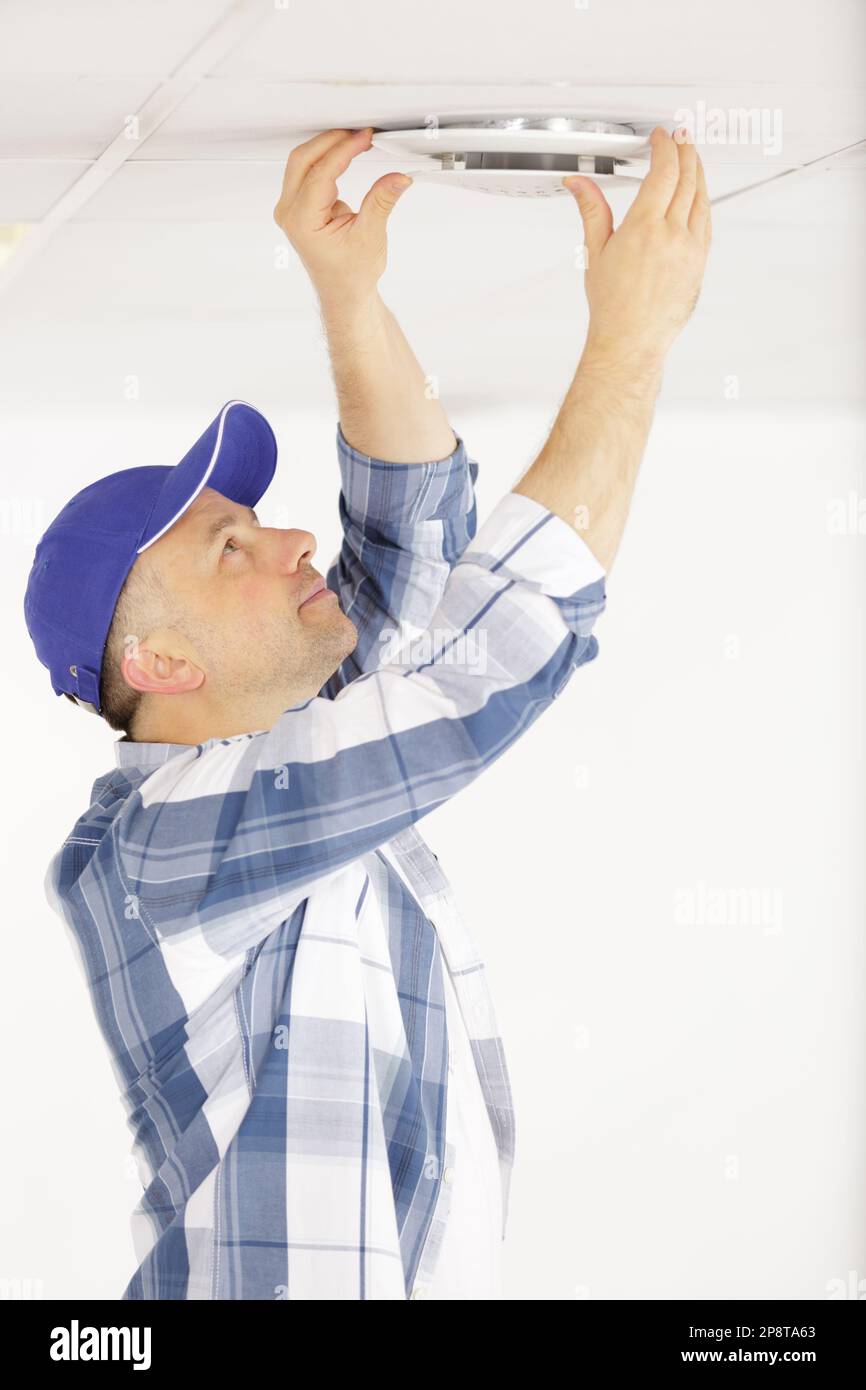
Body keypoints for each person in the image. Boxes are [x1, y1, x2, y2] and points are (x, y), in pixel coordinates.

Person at [23, 125, 710, 1300]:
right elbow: (481, 662)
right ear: (162, 660)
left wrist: (347, 291)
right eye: (232, 544)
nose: (290, 537)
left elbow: (410, 561)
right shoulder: (163, 848)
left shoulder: (248, 772)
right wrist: (629, 344)